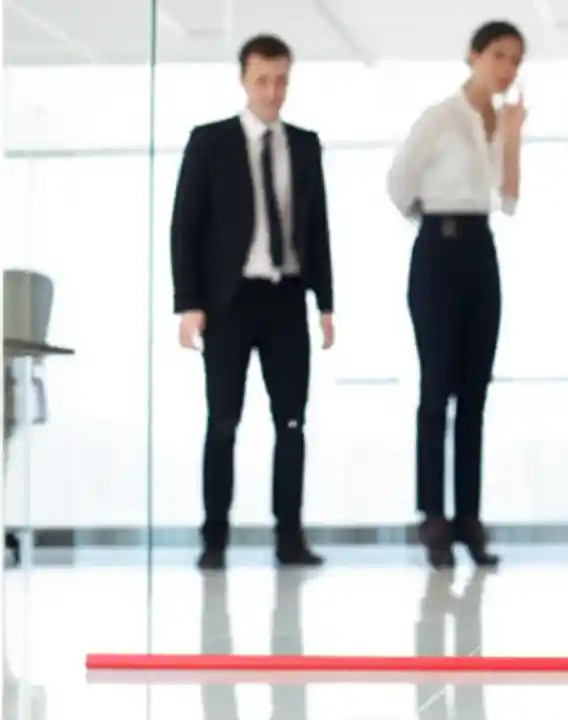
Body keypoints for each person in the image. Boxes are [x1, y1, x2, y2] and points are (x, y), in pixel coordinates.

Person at [171, 34, 334, 570]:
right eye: (263, 79)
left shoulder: (305, 144)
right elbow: (185, 227)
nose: (272, 91)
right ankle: (214, 538)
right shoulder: (210, 142)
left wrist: (325, 303)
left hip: (286, 299)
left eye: (281, 79)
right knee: (223, 422)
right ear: (244, 80)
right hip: (228, 302)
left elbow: (318, 228)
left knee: (292, 423)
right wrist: (188, 304)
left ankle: (290, 537)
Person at [387, 21, 526, 570]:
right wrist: (430, 217)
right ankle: (432, 518)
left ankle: (468, 519)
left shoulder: (501, 120)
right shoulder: (440, 118)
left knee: (475, 394)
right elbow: (400, 184)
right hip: (438, 253)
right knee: (436, 388)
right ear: (472, 56)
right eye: (498, 56)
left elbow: (509, 199)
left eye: (515, 60)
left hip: (481, 251)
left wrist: (512, 136)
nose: (507, 69)